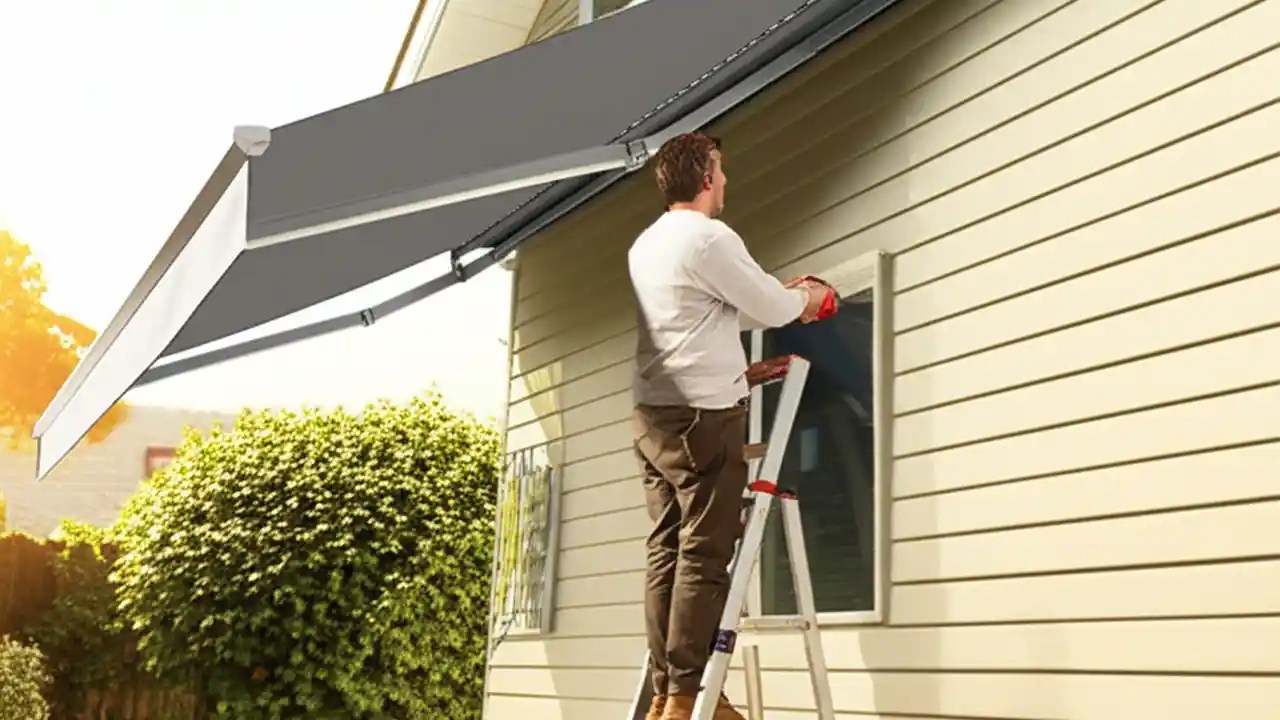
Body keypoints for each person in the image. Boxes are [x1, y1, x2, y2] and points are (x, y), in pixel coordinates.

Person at [627, 131, 832, 720]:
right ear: (707, 177)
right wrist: (807, 299)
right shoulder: (710, 236)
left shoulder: (648, 245)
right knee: (704, 552)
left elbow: (720, 307)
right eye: (721, 169)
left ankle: (668, 690)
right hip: (701, 413)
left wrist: (779, 295)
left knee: (666, 547)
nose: (726, 180)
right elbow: (767, 307)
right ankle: (692, 698)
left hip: (653, 414)